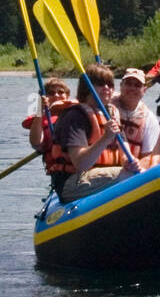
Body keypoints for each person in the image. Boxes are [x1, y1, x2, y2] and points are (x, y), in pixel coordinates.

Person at [48, 64, 127, 203]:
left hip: (103, 176)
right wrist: (105, 139)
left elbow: (125, 155)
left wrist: (132, 163)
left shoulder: (112, 115)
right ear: (87, 89)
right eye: (100, 84)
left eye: (110, 84)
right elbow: (81, 164)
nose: (107, 88)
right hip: (72, 183)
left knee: (143, 173)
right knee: (130, 175)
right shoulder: (75, 116)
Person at [22, 78, 74, 170]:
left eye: (61, 92)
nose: (56, 96)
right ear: (44, 98)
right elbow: (36, 143)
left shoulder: (78, 113)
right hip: (60, 173)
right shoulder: (40, 118)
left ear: (68, 95)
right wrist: (39, 110)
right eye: (51, 93)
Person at [114, 68, 159, 160]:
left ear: (144, 90)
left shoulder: (149, 119)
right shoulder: (106, 105)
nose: (132, 88)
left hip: (130, 170)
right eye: (128, 84)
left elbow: (148, 156)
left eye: (137, 85)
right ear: (121, 85)